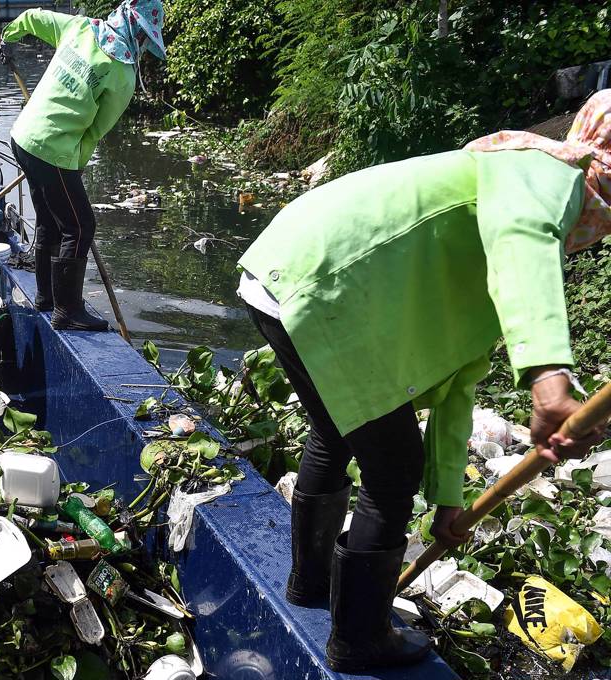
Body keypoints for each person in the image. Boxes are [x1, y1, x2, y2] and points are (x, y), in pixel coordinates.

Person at [236, 90, 611, 672]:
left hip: (286, 272)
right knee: (391, 473)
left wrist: (447, 504)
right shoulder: (544, 173)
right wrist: (547, 377)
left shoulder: (501, 209)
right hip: (319, 282)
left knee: (336, 433)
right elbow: (523, 238)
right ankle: (359, 641)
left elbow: (458, 382)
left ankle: (309, 586)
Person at [0, 0, 165, 331]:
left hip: (22, 138)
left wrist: (8, 37)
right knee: (80, 226)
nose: (144, 45)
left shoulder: (81, 27)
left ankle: (46, 297)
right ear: (136, 31)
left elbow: (34, 18)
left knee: (48, 217)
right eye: (145, 38)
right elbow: (93, 133)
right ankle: (68, 310)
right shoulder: (123, 74)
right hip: (51, 151)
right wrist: (74, 170)